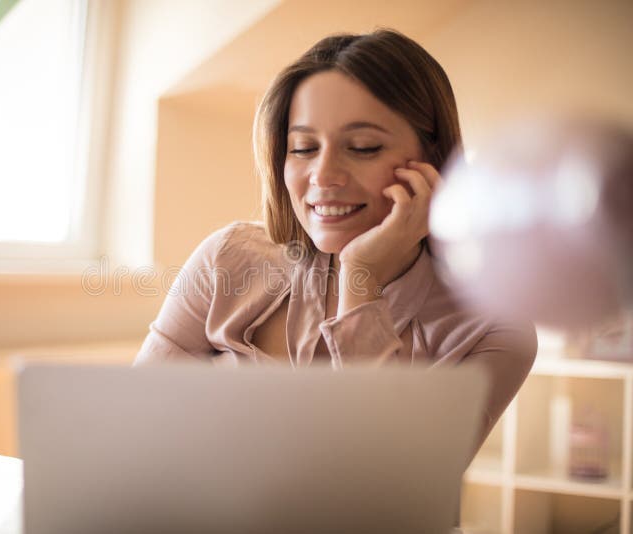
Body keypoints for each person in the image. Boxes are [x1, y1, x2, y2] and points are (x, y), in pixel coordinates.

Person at [134, 29, 537, 447]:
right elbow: (136, 423)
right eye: (304, 148)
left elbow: (388, 485)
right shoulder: (227, 259)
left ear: (432, 159)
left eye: (363, 147)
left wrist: (360, 277)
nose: (323, 176)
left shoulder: (494, 331)